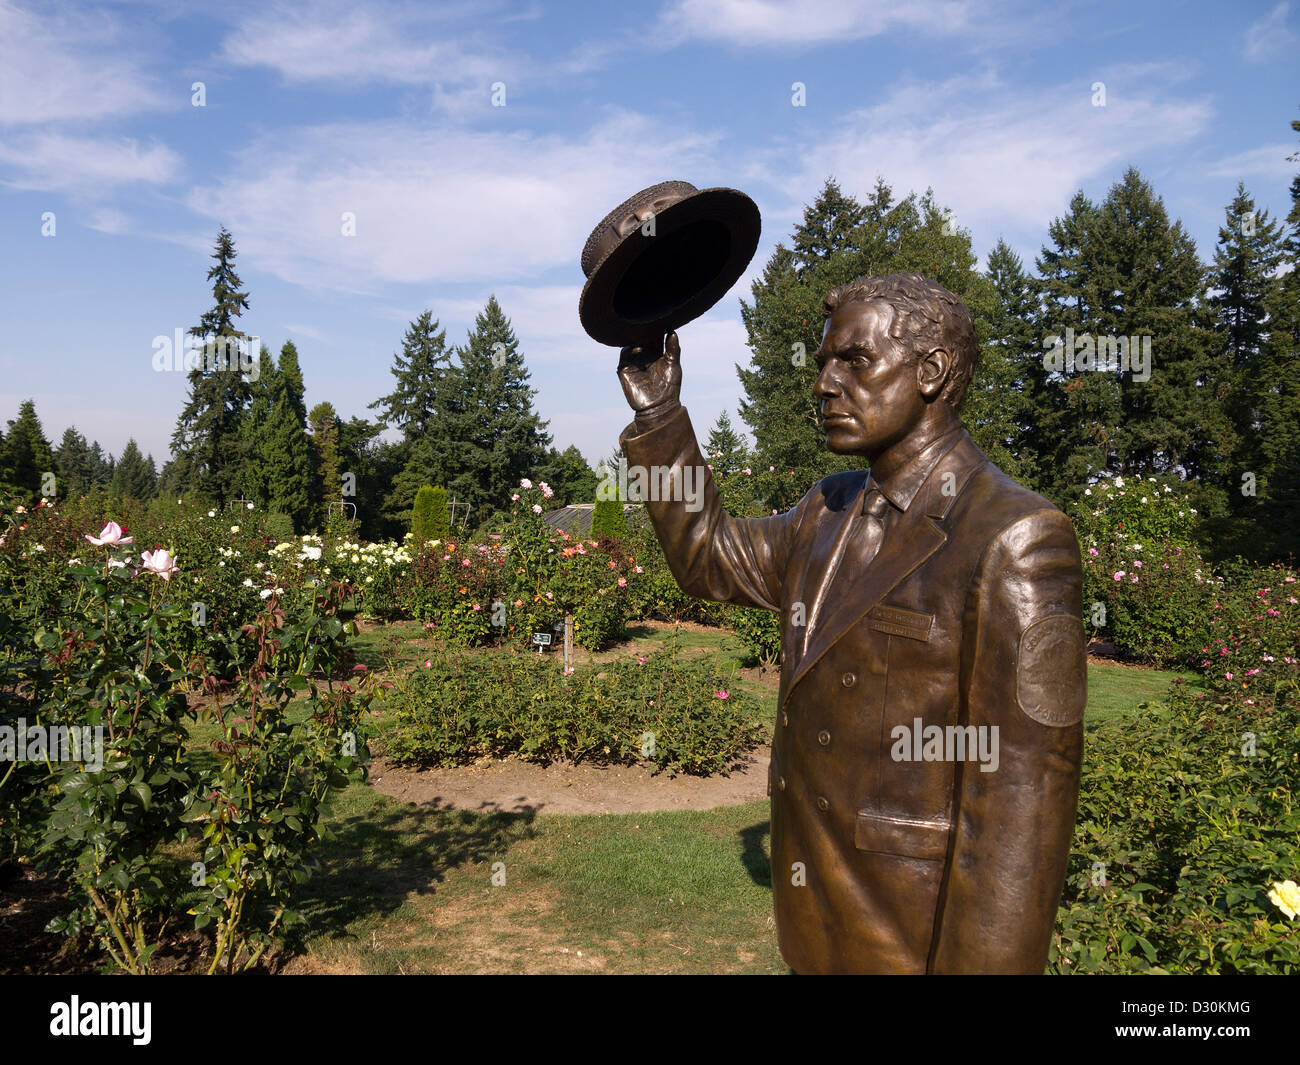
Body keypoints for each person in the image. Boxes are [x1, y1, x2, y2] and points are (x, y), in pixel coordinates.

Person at [616, 272, 1085, 974]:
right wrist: (661, 416)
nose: (824, 384)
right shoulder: (826, 508)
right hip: (816, 928)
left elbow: (1023, 807)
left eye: (855, 361)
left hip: (914, 937)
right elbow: (709, 559)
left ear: (932, 371)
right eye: (823, 363)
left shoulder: (1014, 537)